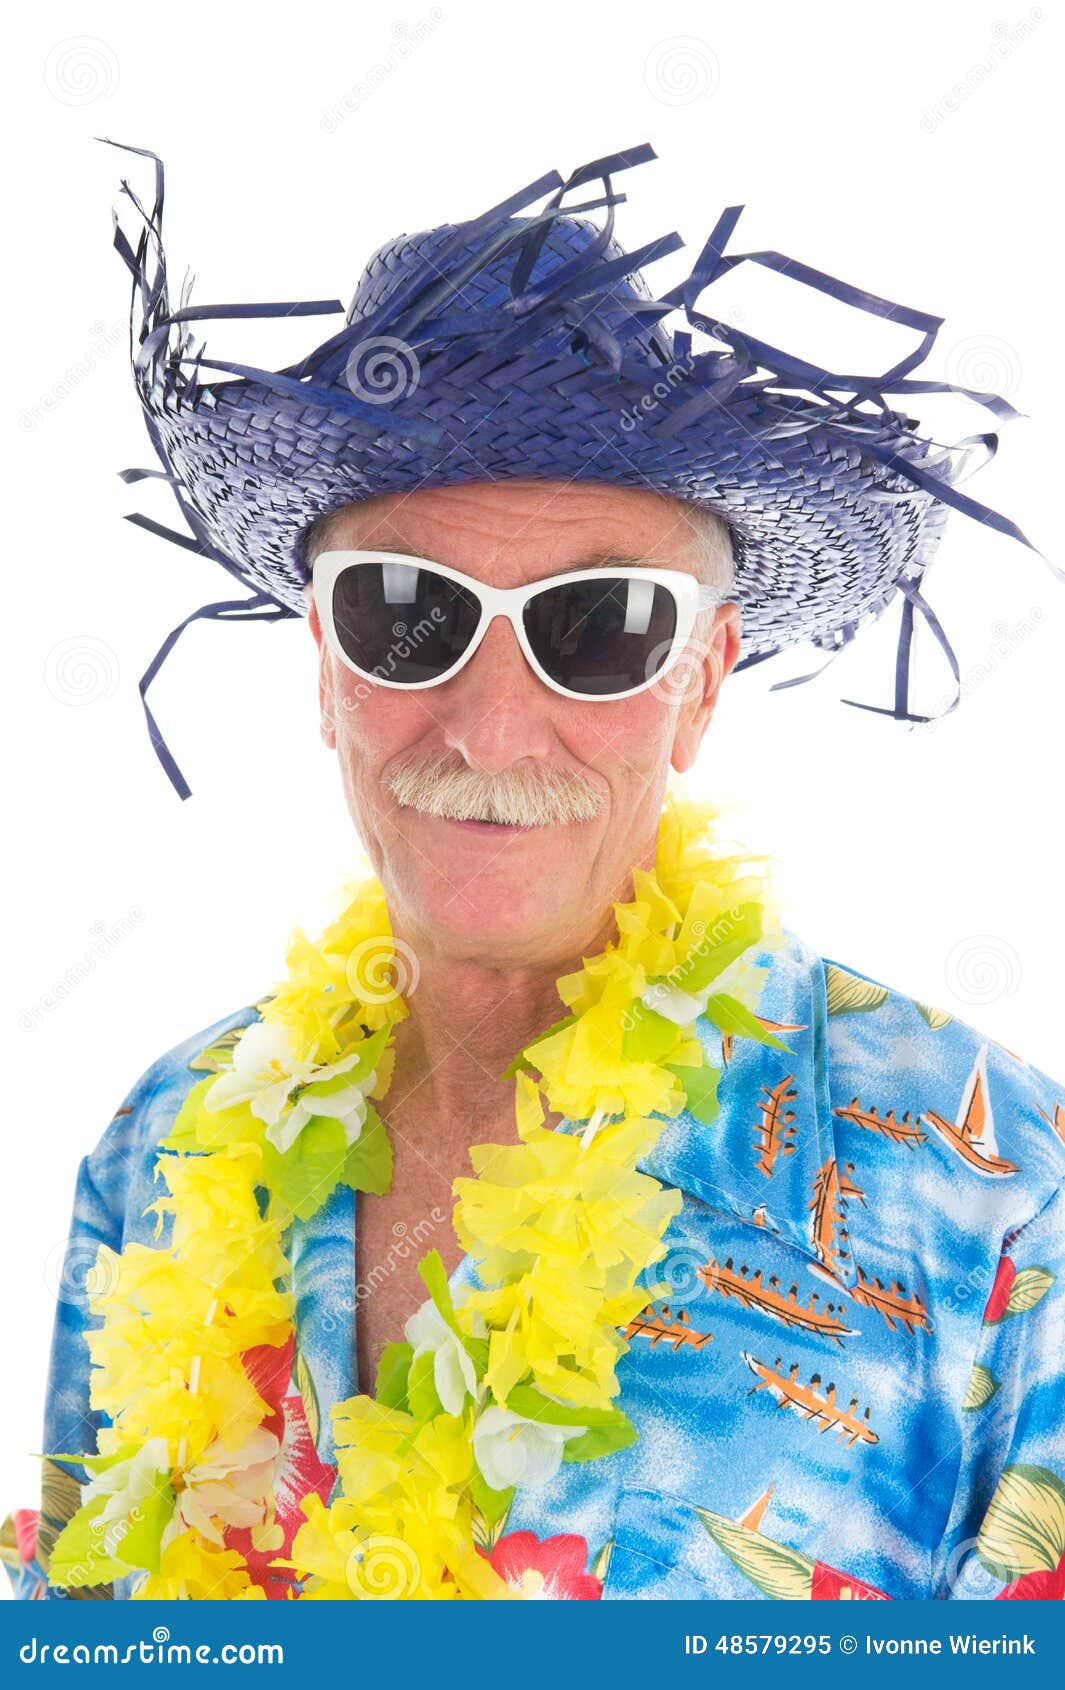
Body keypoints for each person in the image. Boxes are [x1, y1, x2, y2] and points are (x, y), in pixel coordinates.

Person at [3, 143, 1062, 1602]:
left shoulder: (997, 1197)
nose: (492, 724)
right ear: (323, 665)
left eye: (598, 626)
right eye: (404, 611)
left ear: (699, 681)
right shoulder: (158, 1153)